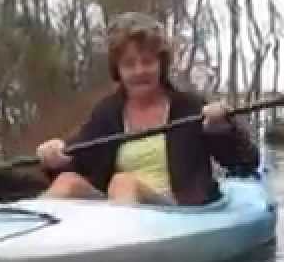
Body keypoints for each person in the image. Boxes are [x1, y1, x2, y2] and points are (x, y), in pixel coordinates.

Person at [35, 12, 260, 206]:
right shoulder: (107, 113)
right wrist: (55, 157)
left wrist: (222, 129)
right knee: (67, 182)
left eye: (147, 61)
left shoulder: (189, 107)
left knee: (123, 182)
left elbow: (245, 162)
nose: (140, 70)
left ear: (161, 65)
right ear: (118, 70)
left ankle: (118, 250)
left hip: (179, 210)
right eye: (129, 64)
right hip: (119, 207)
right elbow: (79, 159)